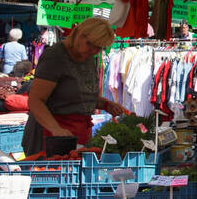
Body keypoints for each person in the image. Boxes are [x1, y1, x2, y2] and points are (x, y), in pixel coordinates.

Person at [24, 17, 128, 157]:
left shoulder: (89, 57)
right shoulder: (55, 56)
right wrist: (56, 129)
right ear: (79, 33)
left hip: (78, 133)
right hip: (50, 135)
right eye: (90, 44)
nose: (93, 50)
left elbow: (77, 96)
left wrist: (105, 104)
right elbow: (35, 101)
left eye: (99, 47)